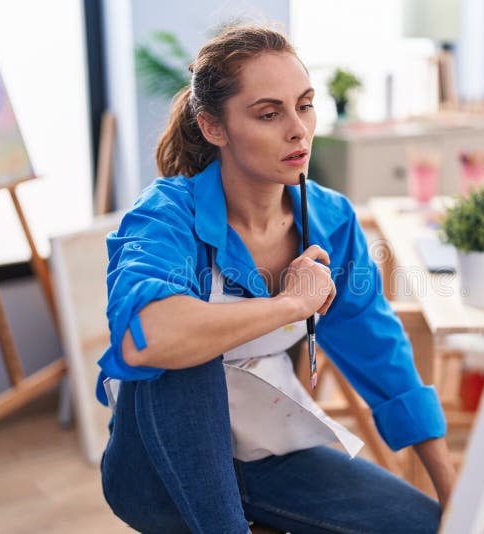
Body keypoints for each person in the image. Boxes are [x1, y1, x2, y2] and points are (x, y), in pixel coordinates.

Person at [97, 24, 456, 533]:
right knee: (188, 345)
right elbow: (147, 338)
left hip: (263, 453)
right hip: (157, 470)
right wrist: (290, 304)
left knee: (422, 526)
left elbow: (381, 353)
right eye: (269, 114)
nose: (298, 130)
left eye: (305, 105)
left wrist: (454, 494)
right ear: (213, 127)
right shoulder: (166, 216)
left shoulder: (330, 219)